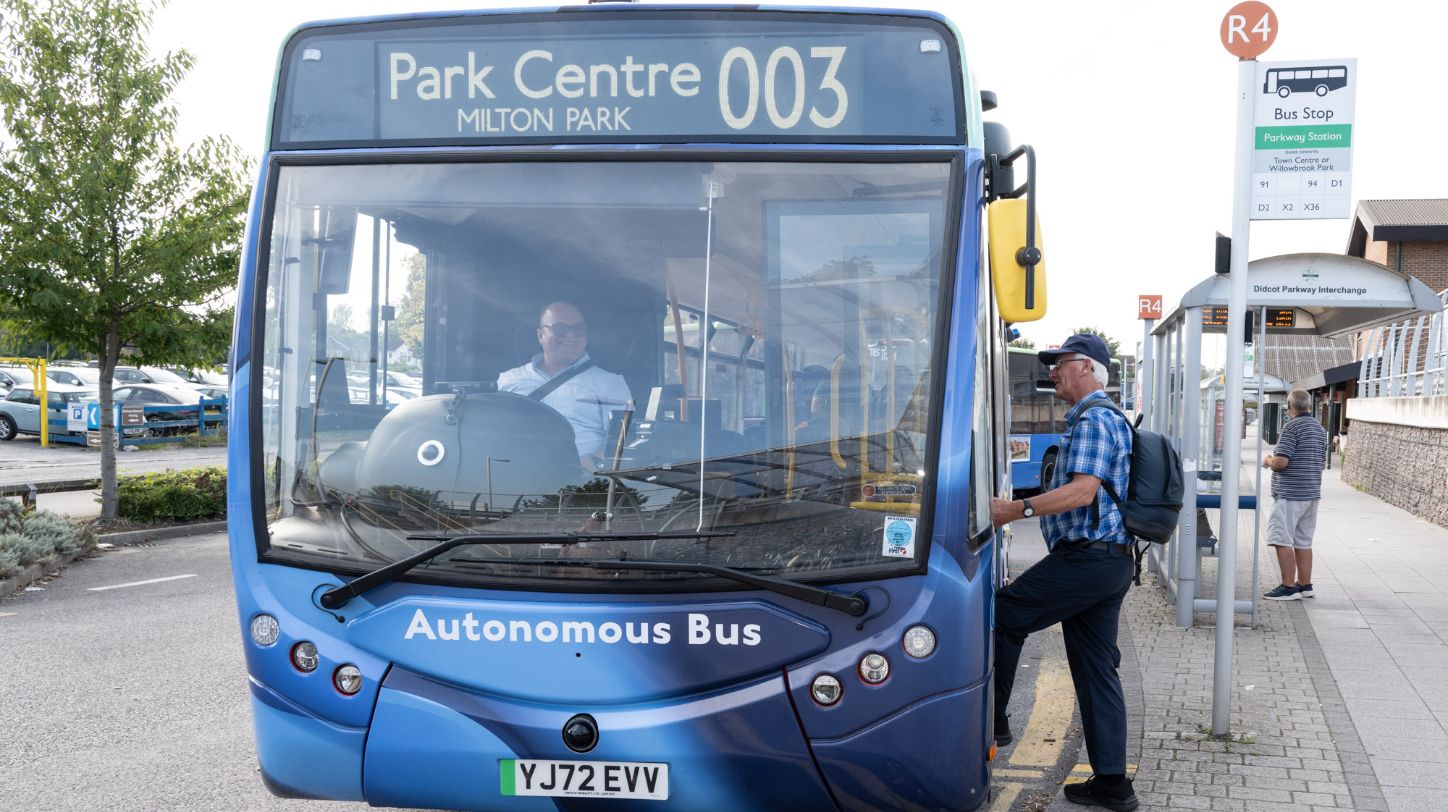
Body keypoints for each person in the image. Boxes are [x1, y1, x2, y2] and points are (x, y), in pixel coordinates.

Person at [990, 332, 1139, 812]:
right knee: (1097, 672)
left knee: (1006, 614)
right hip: (1108, 560)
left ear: (1089, 369)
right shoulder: (1098, 418)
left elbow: (1081, 493)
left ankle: (991, 722)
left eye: (1062, 362)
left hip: (1089, 560)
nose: (1052, 371)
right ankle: (1114, 786)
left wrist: (1016, 510)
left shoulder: (1094, 419)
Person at [497, 301, 632, 470]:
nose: (570, 335)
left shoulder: (611, 383)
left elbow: (624, 440)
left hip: (579, 485)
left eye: (578, 329)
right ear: (540, 335)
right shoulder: (508, 380)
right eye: (560, 328)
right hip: (512, 480)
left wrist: (594, 463)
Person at [1261, 388, 1329, 601]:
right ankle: (1305, 584)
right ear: (1307, 406)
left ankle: (1288, 586)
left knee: (1281, 539)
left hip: (1290, 494)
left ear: (1290, 406)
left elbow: (1281, 462)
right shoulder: (1319, 429)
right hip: (1311, 493)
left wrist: (1268, 460)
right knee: (1303, 541)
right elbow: (1322, 464)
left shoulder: (1291, 427)